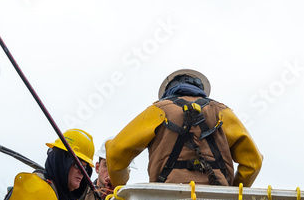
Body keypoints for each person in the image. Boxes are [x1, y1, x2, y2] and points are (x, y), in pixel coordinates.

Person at [104, 69, 263, 188]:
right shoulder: (223, 112)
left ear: (167, 93)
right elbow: (253, 163)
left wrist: (119, 186)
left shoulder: (158, 110)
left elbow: (116, 152)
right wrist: (233, 192)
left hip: (167, 198)